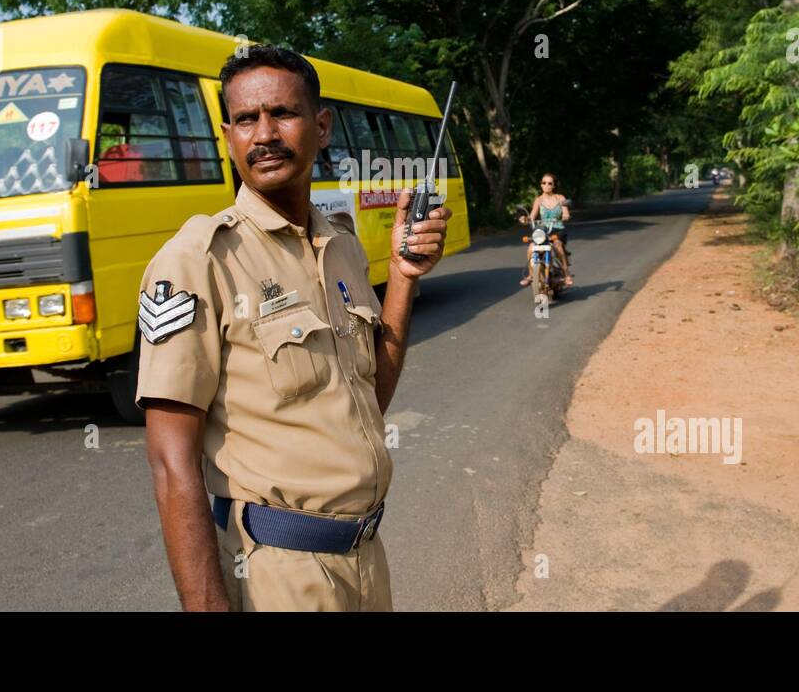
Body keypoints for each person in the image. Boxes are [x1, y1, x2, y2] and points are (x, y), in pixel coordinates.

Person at [137, 44, 452, 612]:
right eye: (245, 120)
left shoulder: (342, 245)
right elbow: (170, 460)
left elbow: (369, 397)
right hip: (278, 578)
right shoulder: (199, 259)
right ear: (228, 134)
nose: (264, 135)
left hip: (364, 558)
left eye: (282, 114)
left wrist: (403, 280)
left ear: (321, 125)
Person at [519, 172, 572, 288]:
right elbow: (532, 216)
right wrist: (525, 219)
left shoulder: (560, 198)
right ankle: (531, 275)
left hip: (557, 229)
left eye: (549, 183)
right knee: (531, 247)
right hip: (542, 231)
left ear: (553, 186)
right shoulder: (538, 200)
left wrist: (565, 215)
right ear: (541, 185)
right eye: (544, 183)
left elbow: (565, 211)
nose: (546, 185)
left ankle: (566, 274)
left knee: (557, 245)